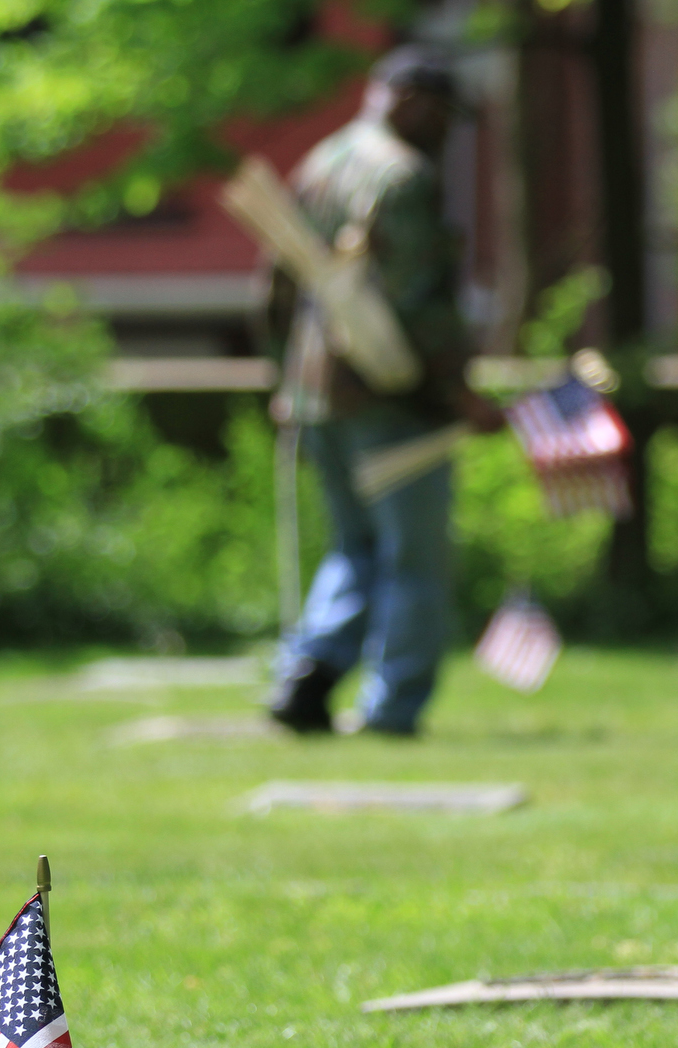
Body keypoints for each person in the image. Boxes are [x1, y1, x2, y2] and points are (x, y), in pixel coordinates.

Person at [262, 47, 504, 737]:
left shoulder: (320, 162)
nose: (447, 132)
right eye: (443, 116)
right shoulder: (404, 176)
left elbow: (276, 284)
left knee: (353, 546)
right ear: (408, 100)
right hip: (392, 394)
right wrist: (457, 391)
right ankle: (392, 709)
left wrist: (283, 374)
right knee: (414, 560)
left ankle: (308, 673)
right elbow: (421, 303)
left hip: (316, 393)